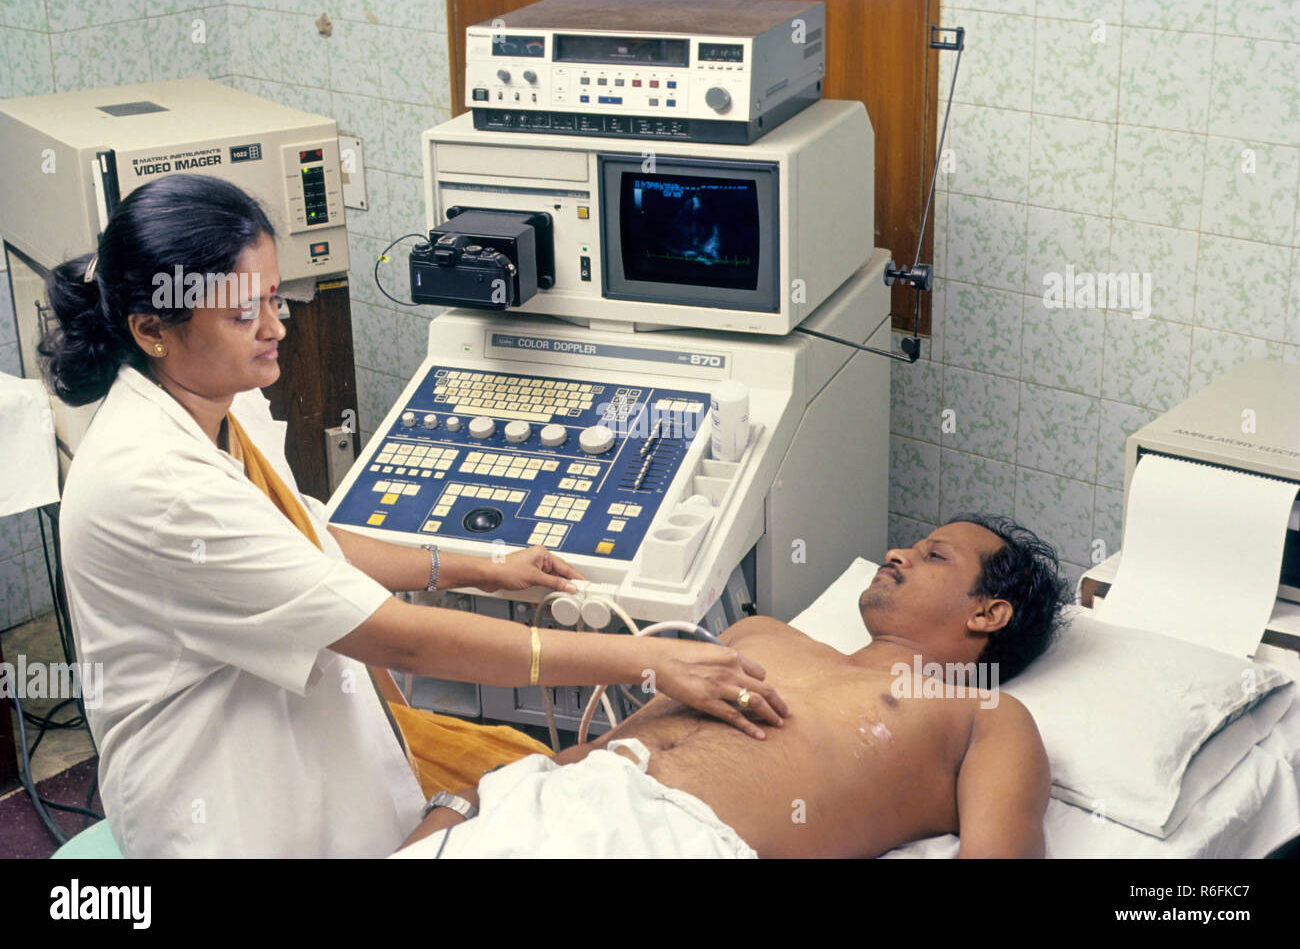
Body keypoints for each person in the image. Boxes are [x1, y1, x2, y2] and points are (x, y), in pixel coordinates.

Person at [43, 173, 789, 858]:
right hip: (225, 810)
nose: (275, 326)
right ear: (151, 330)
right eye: (244, 313)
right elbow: (397, 639)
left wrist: (478, 566)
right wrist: (646, 658)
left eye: (275, 297)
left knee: (519, 789)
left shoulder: (211, 406)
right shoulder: (155, 482)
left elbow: (306, 539)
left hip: (313, 756)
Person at [396, 515, 1071, 858]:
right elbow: (602, 750)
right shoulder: (762, 634)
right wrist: (457, 807)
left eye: (933, 555)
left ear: (988, 612)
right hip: (534, 809)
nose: (898, 553)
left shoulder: (984, 715)